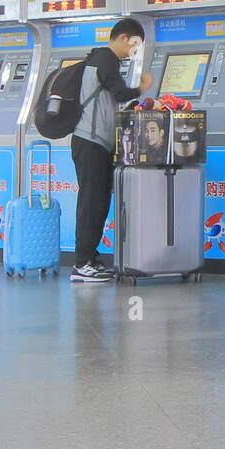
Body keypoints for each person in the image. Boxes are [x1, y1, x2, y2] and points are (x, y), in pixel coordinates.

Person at [70, 18, 153, 282]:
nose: (134, 51)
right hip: (91, 141)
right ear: (122, 38)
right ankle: (82, 264)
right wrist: (141, 88)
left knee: (99, 201)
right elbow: (118, 93)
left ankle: (90, 260)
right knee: (91, 202)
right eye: (134, 45)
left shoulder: (100, 60)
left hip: (98, 142)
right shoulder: (106, 59)